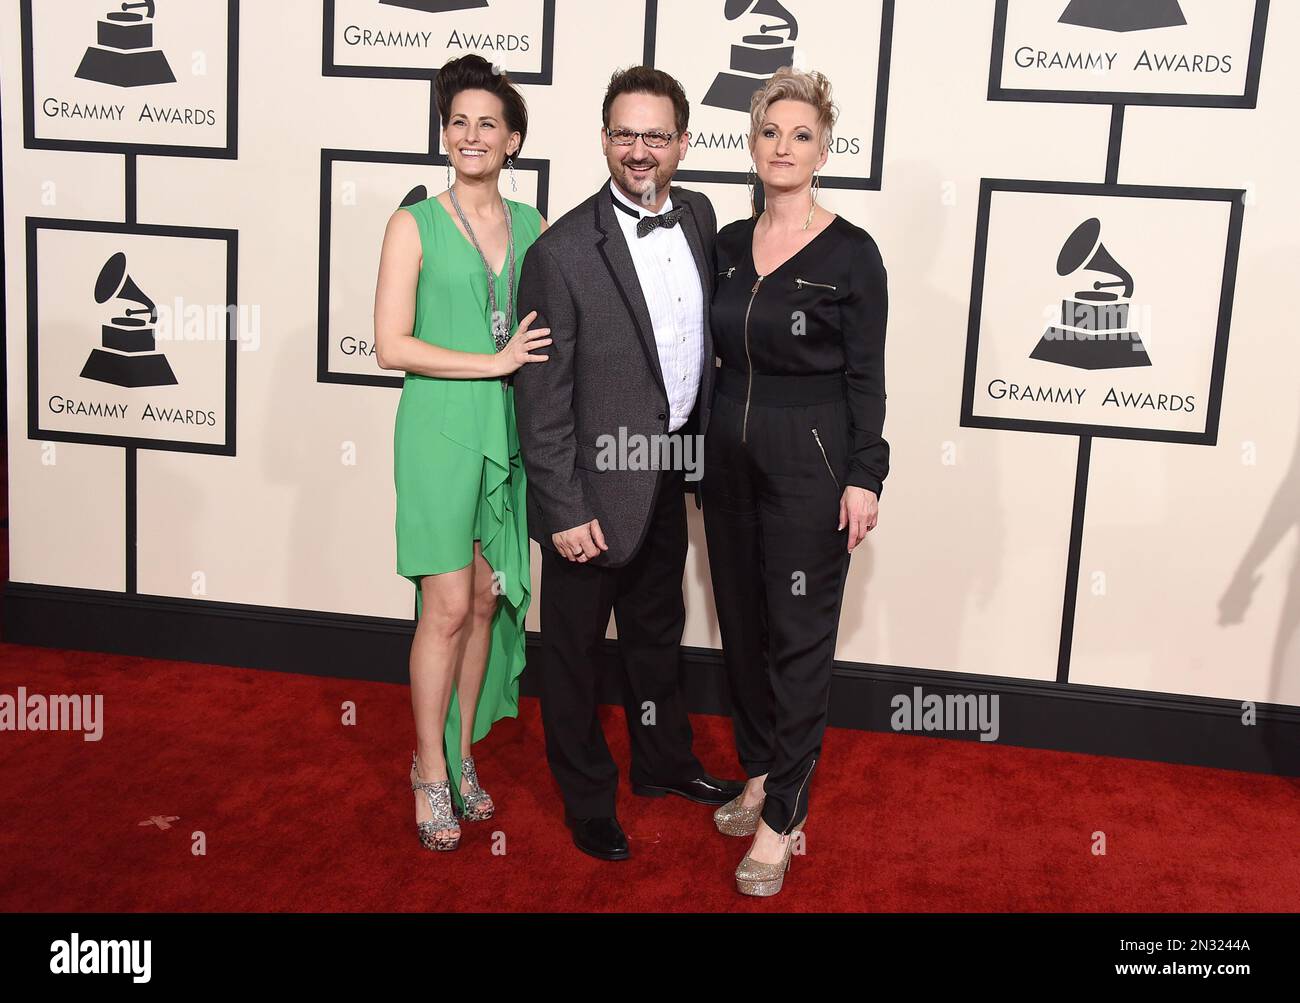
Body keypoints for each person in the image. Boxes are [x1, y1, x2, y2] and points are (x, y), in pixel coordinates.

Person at [514, 65, 743, 861]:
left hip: (669, 471)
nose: (639, 151)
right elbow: (541, 399)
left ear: (682, 140)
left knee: (657, 633)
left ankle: (663, 764)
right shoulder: (562, 251)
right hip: (590, 492)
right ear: (603, 139)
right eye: (624, 134)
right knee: (575, 658)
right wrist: (564, 507)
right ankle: (587, 800)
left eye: (655, 135)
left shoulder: (701, 216)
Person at [702, 67, 889, 895]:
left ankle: (784, 817)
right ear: (752, 143)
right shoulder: (724, 246)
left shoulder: (853, 252)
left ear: (823, 148)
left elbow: (867, 377)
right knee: (742, 624)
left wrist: (863, 475)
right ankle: (758, 769)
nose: (784, 146)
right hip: (727, 452)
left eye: (801, 134)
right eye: (771, 132)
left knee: (800, 635)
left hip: (811, 459)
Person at [373, 54, 552, 852]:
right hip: (441, 429)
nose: (470, 135)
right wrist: (494, 362)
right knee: (444, 606)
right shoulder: (411, 223)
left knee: (485, 601)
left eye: (487, 123)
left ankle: (462, 750)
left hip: (507, 433)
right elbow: (388, 344)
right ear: (444, 135)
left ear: (513, 138)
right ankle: (427, 770)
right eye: (458, 122)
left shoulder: (536, 225)